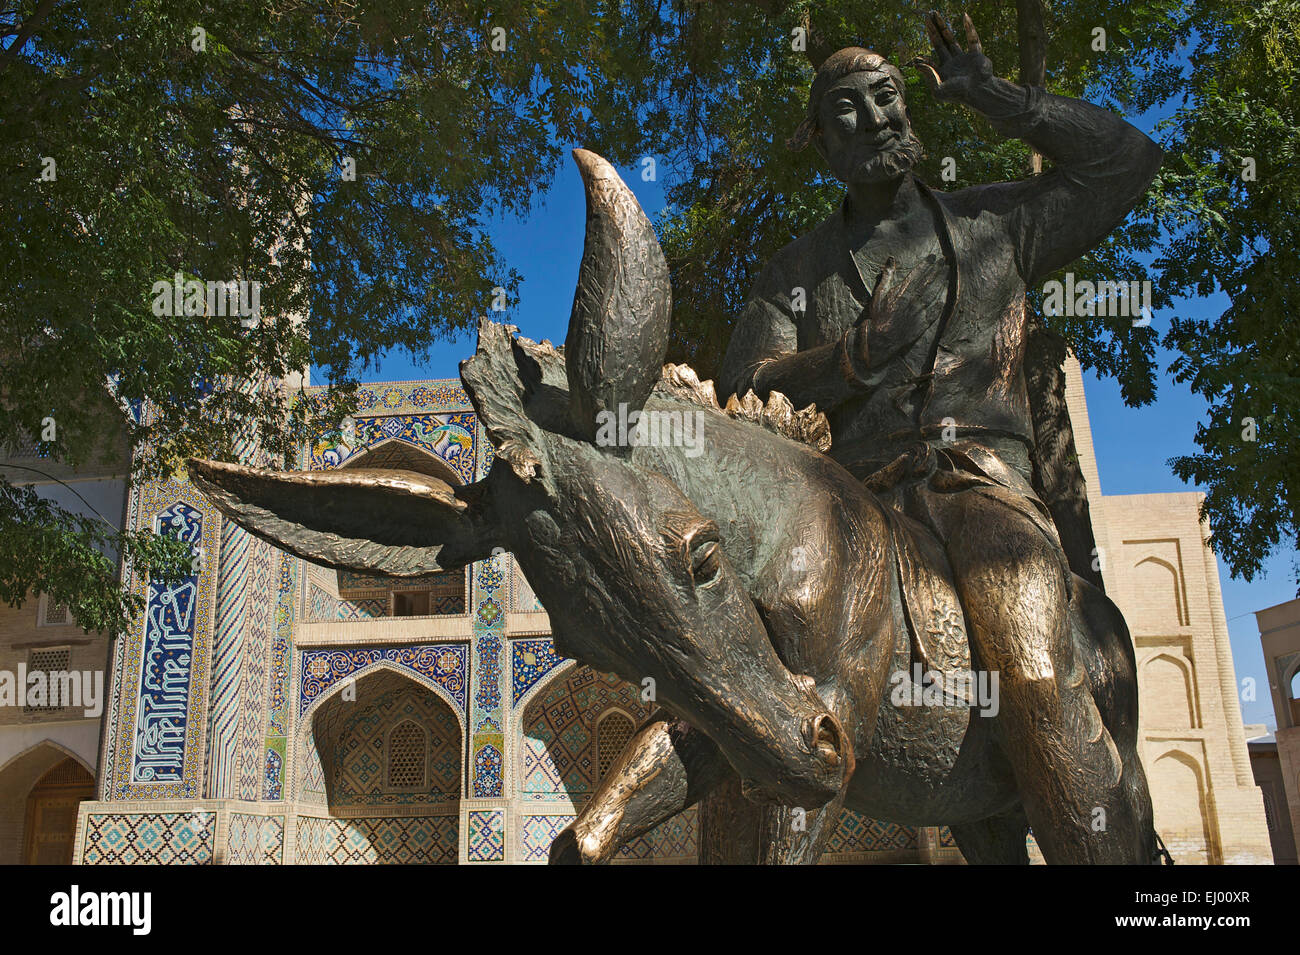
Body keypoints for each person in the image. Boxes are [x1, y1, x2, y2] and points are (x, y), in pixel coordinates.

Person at [718, 10, 1162, 860]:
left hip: (981, 490)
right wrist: (850, 360)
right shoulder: (795, 274)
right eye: (849, 106)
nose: (879, 114)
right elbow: (743, 388)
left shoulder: (997, 224)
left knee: (1031, 678)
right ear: (819, 138)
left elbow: (1126, 160)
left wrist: (1004, 101)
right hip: (856, 514)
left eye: (887, 96)